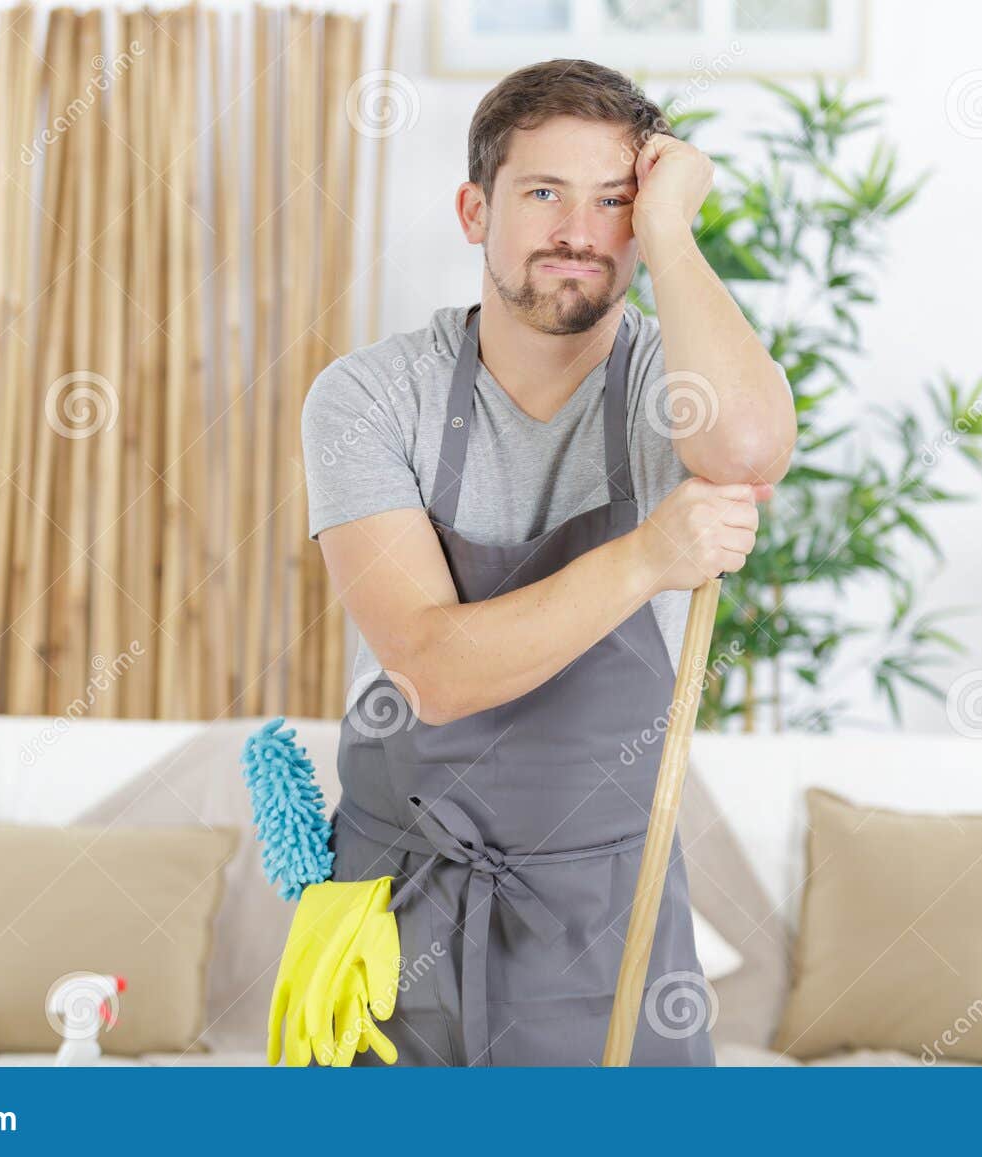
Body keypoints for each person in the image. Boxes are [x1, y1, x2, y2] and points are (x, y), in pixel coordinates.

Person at [299, 57, 795, 1066]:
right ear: (474, 209)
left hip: (608, 904)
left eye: (611, 202)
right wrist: (650, 555)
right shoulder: (370, 395)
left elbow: (747, 452)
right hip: (398, 908)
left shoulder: (671, 381)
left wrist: (671, 234)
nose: (577, 230)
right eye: (542, 194)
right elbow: (434, 670)